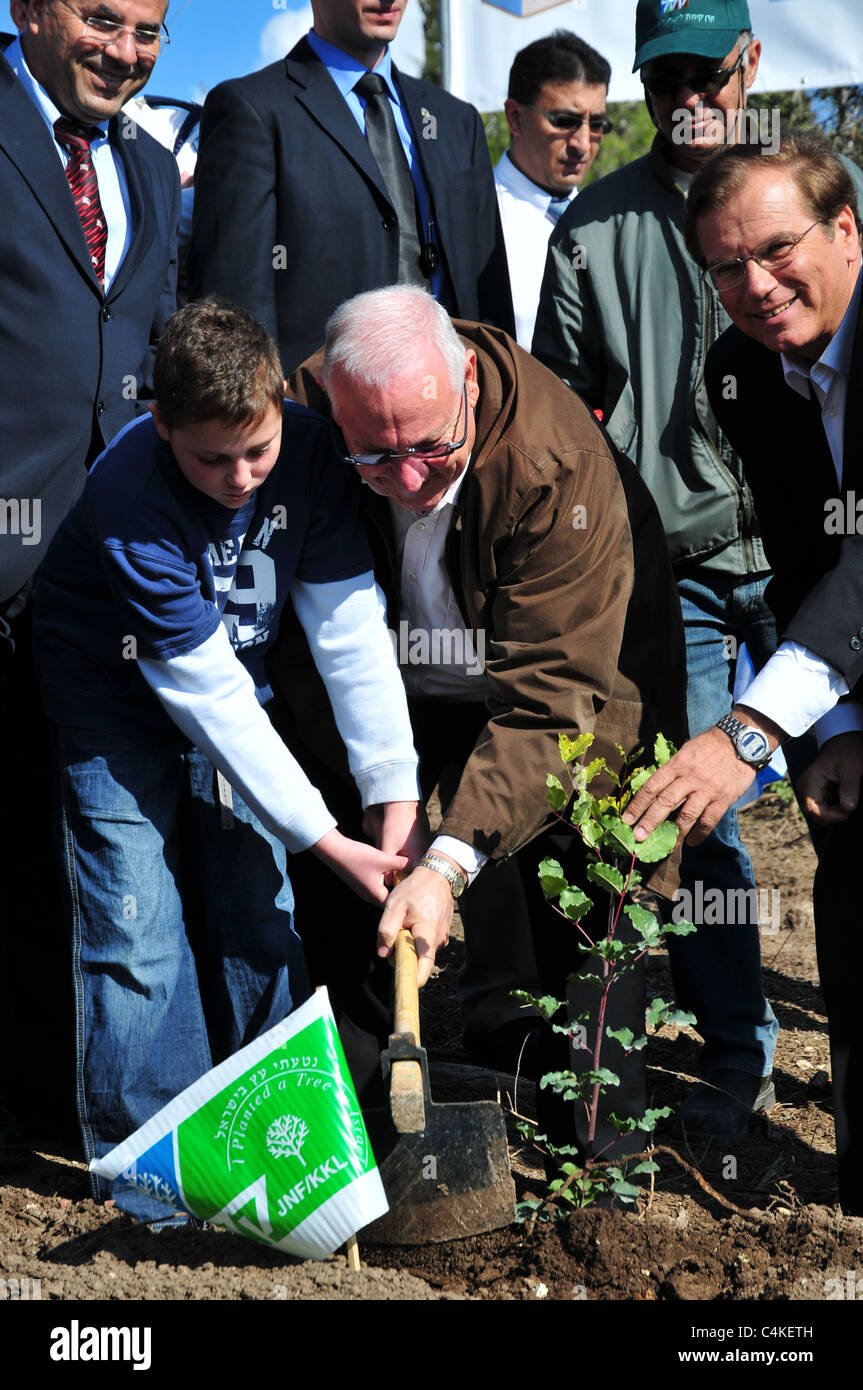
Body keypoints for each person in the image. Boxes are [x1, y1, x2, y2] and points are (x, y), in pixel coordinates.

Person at [532, 0, 863, 1143]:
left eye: (705, 72)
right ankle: (735, 1061)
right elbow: (561, 408)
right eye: (661, 74)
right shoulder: (601, 237)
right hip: (689, 569)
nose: (687, 97)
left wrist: (772, 720)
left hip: (809, 577)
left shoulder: (817, 220)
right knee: (707, 819)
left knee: (817, 799)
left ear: (748, 64)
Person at [271, 284, 687, 1159]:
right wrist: (378, 794)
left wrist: (451, 859)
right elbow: (307, 640)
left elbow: (547, 703)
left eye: (431, 447)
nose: (410, 481)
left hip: (563, 666)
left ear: (465, 376)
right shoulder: (303, 418)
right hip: (387, 677)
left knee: (577, 887)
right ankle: (356, 1140)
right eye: (375, 458)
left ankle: (593, 1159)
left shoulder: (556, 461)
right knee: (355, 882)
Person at [32, 297, 424, 1225]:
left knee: (261, 903)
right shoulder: (131, 495)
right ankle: (156, 1177)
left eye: (258, 450)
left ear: (282, 408)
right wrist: (332, 841)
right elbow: (203, 694)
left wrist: (392, 795)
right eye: (212, 458)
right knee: (136, 928)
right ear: (161, 423)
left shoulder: (317, 453)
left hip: (240, 686)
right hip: (114, 704)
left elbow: (349, 632)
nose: (241, 477)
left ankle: (288, 1152)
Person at [624, 130, 863, 1212]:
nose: (754, 286)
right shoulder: (738, 371)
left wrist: (753, 726)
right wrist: (838, 721)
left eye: (777, 249)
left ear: (847, 229)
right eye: (726, 267)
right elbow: (814, 550)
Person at [0, 0, 180, 1162]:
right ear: (24, 10)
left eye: (150, 29)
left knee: (76, 852)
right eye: (100, 19)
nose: (125, 50)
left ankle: (56, 1110)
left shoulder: (157, 174)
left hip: (102, 577)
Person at [187, 0, 514, 376]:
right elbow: (232, 312)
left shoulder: (457, 121)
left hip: (457, 418)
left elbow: (491, 301)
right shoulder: (250, 110)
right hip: (316, 418)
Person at [495, 29, 611, 347]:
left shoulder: (608, 220)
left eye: (597, 124)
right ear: (515, 118)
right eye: (564, 121)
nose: (583, 144)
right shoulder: (472, 219)